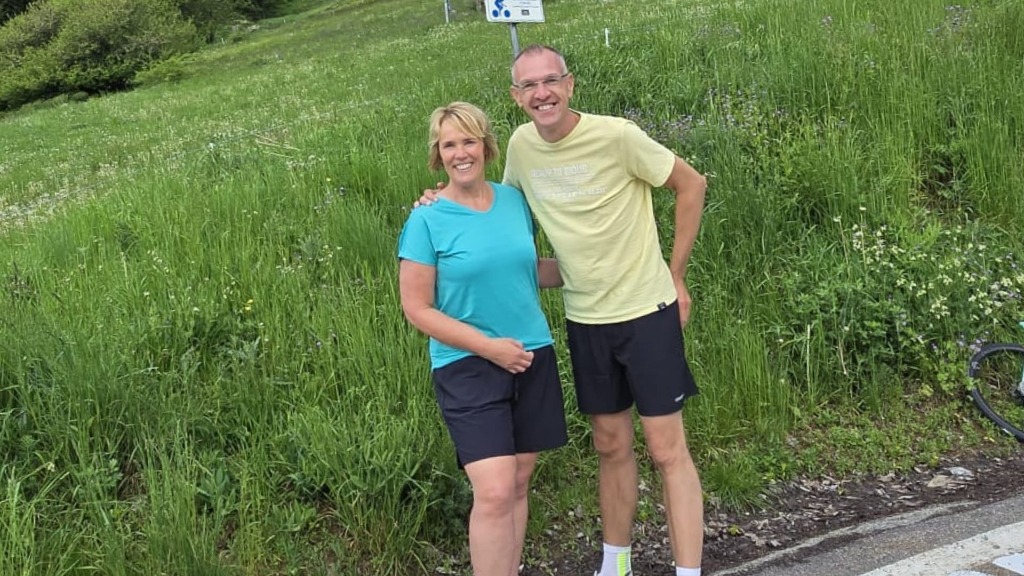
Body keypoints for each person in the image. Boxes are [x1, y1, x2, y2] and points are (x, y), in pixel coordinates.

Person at [420, 45, 708, 576]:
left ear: (570, 84)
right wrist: (440, 200)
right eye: (529, 86)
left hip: (646, 309)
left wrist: (677, 274)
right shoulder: (521, 147)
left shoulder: (618, 135)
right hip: (585, 319)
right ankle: (615, 565)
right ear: (516, 97)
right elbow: (496, 217)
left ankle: (687, 571)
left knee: (667, 449)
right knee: (610, 444)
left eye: (550, 81)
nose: (542, 93)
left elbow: (692, 184)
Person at [397, 101, 568, 576]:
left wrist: (598, 262)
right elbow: (417, 308)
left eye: (469, 141)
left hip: (531, 353)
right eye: (449, 144)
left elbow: (525, 270)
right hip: (467, 364)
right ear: (438, 154)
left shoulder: (513, 202)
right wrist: (489, 348)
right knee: (493, 491)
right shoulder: (426, 219)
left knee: (518, 482)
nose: (461, 153)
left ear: (486, 146)